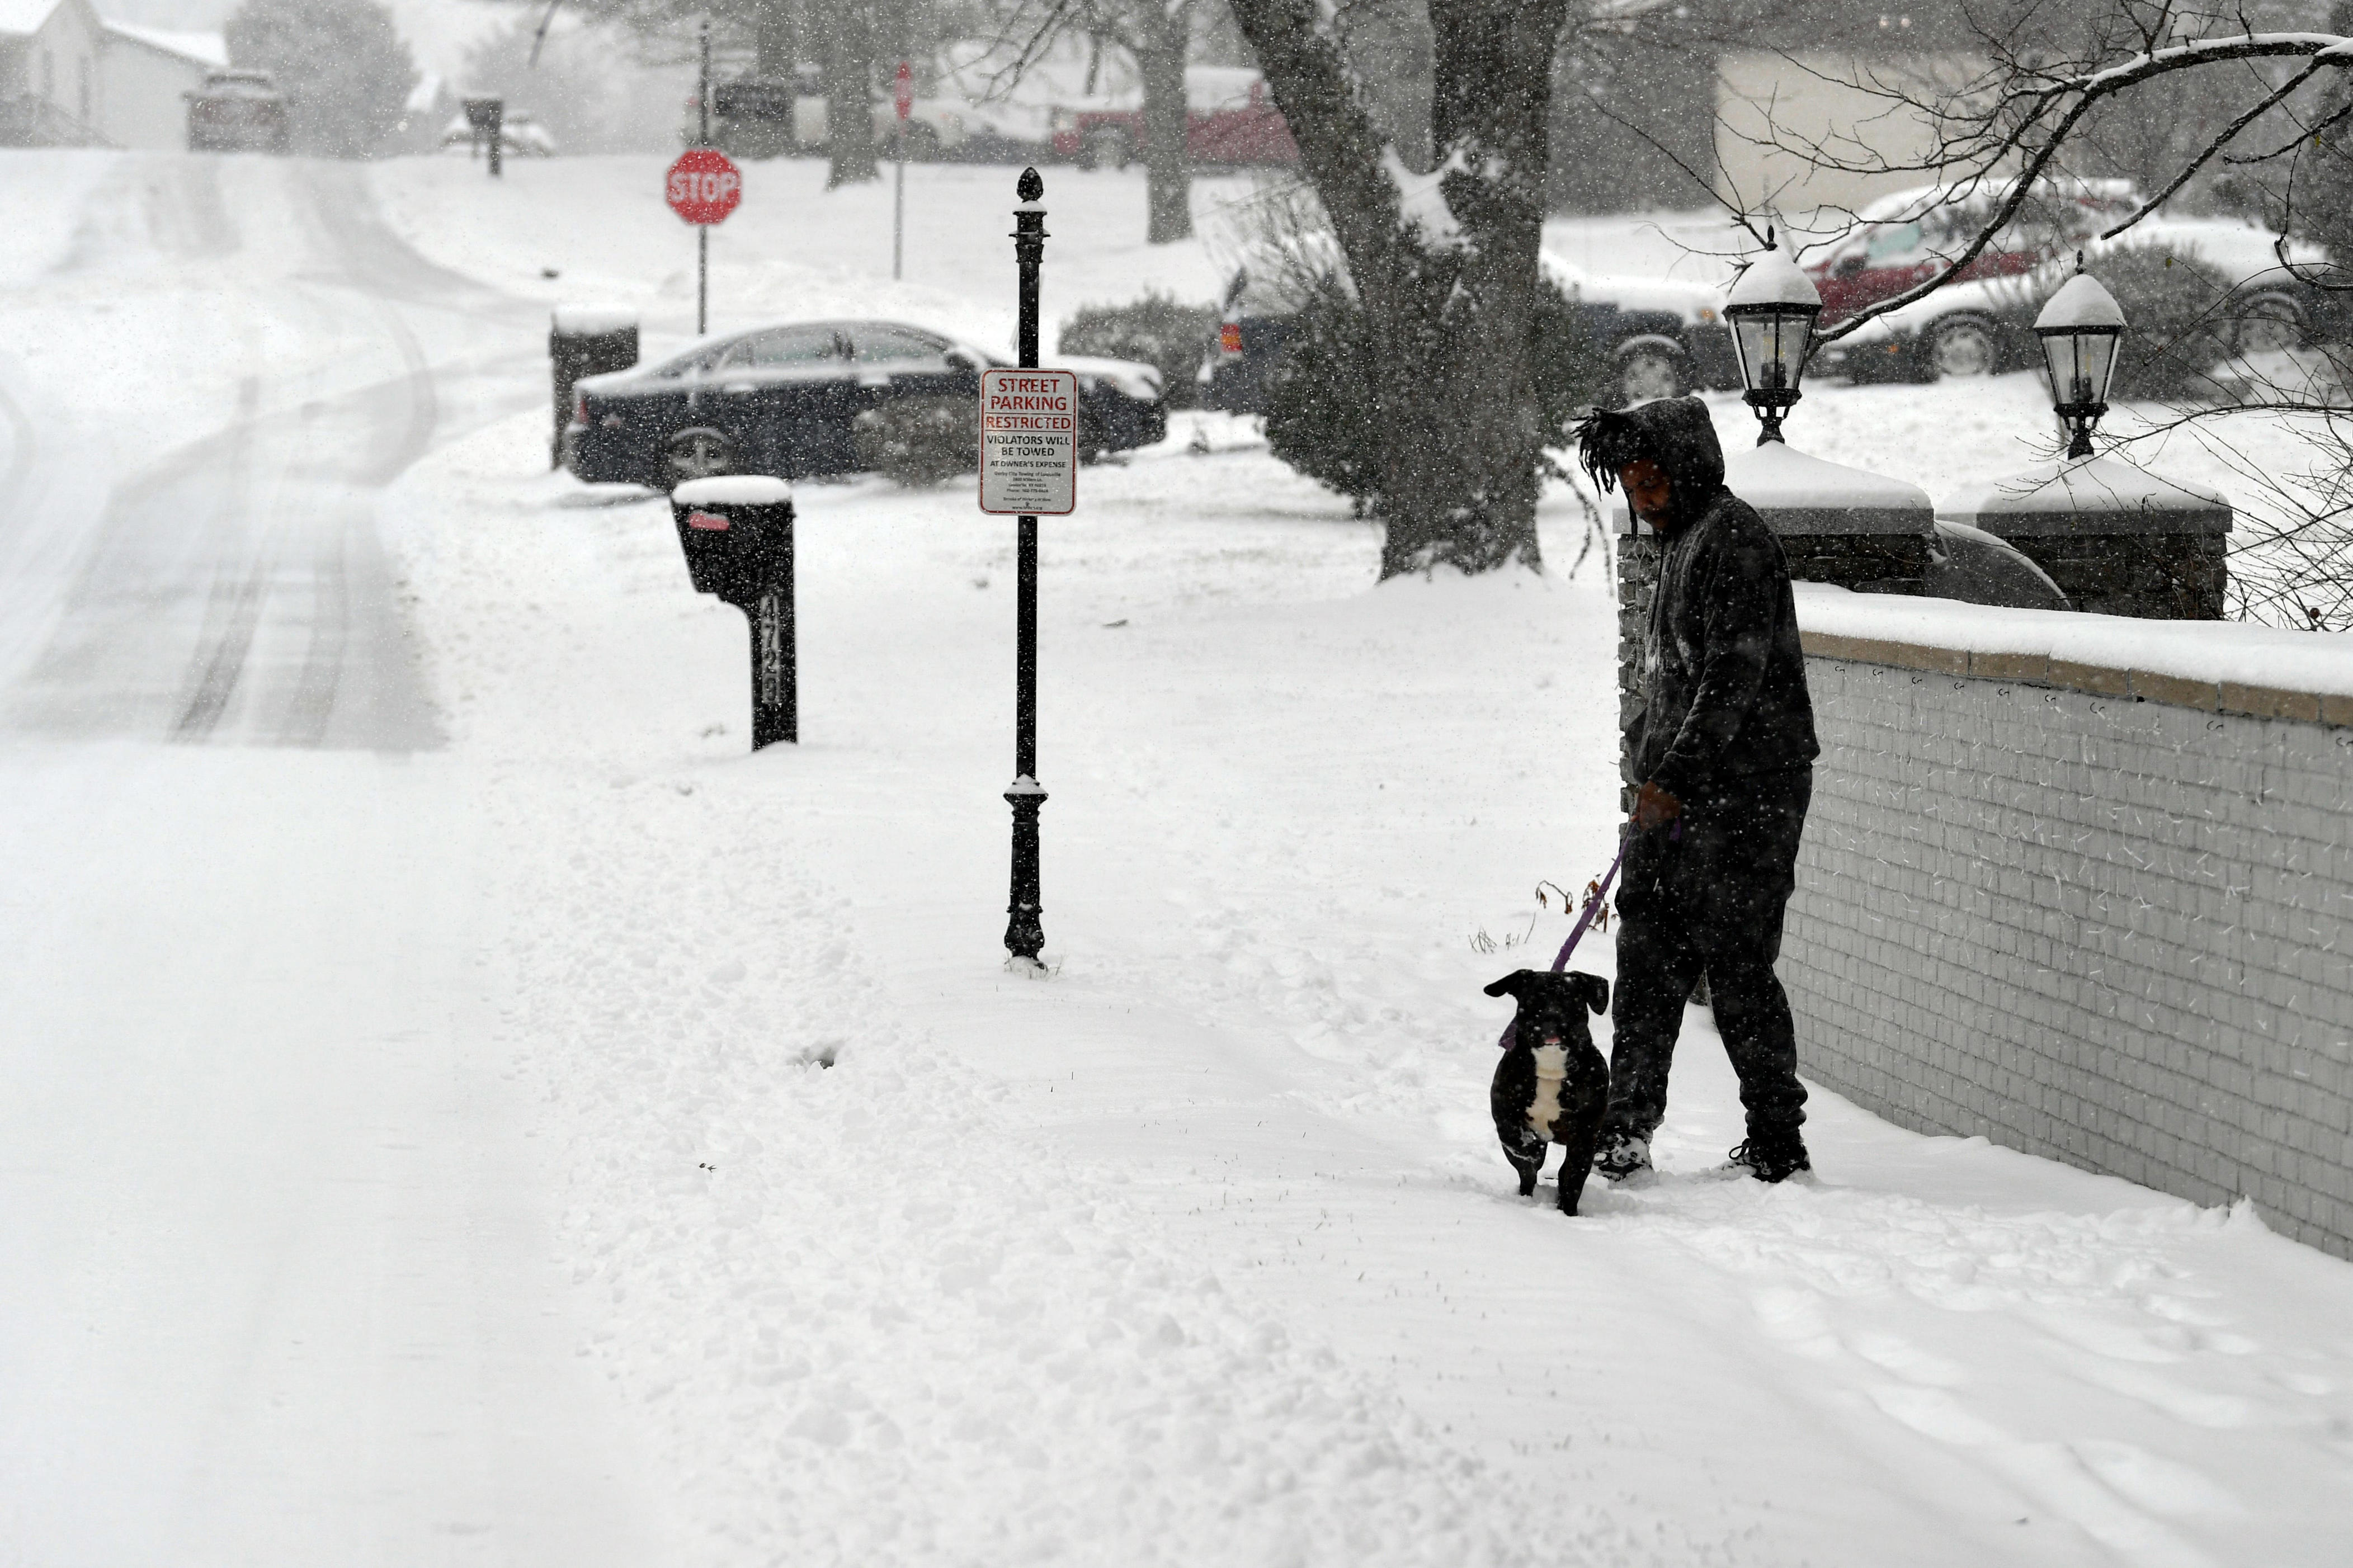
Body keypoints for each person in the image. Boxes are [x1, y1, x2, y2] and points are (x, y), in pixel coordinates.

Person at [1573, 398, 1820, 1183]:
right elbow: (1672, 682)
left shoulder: (1735, 541)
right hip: (1678, 793)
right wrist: (1650, 769)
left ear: (1689, 469)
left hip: (1750, 790)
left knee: (1736, 960)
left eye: (1652, 482)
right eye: (1631, 486)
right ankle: (1625, 1126)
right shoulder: (1681, 542)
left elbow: (1733, 677)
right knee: (1647, 953)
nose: (1642, 499)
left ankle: (1778, 1139)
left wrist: (1674, 775)